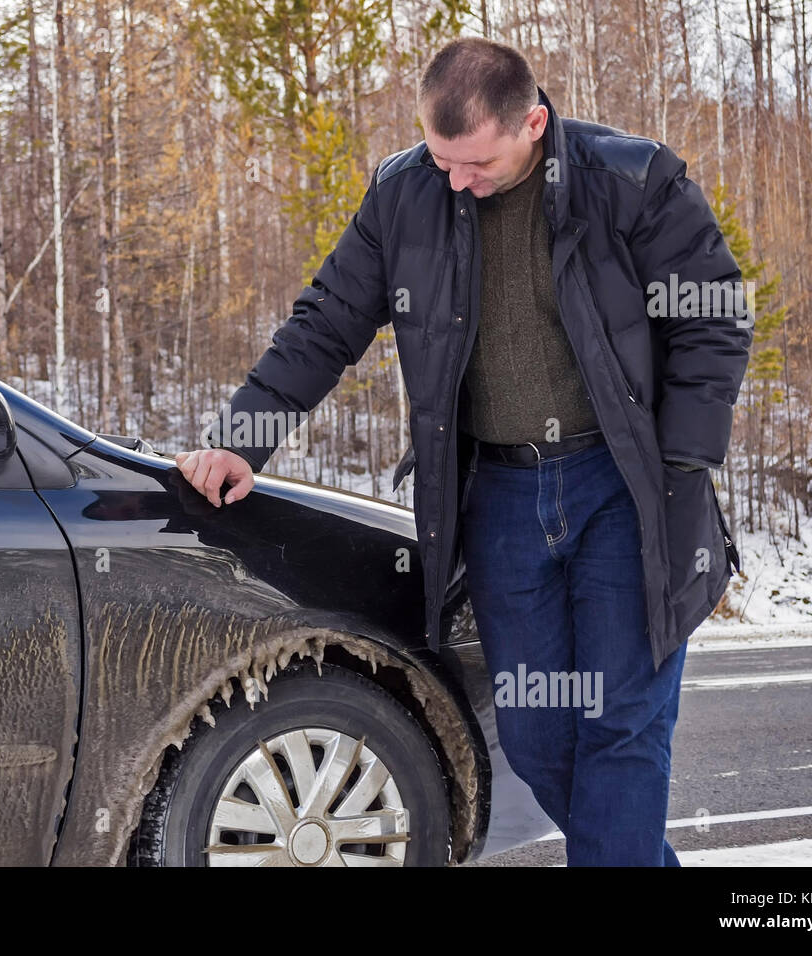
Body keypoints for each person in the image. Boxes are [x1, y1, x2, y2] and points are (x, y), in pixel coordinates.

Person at [174, 36, 751, 865]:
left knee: (621, 725)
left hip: (625, 488)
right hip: (501, 500)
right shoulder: (406, 193)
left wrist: (683, 464)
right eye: (442, 158)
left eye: (475, 162)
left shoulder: (631, 182)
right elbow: (329, 320)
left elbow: (714, 315)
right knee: (535, 731)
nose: (457, 180)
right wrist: (243, 438)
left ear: (534, 125)